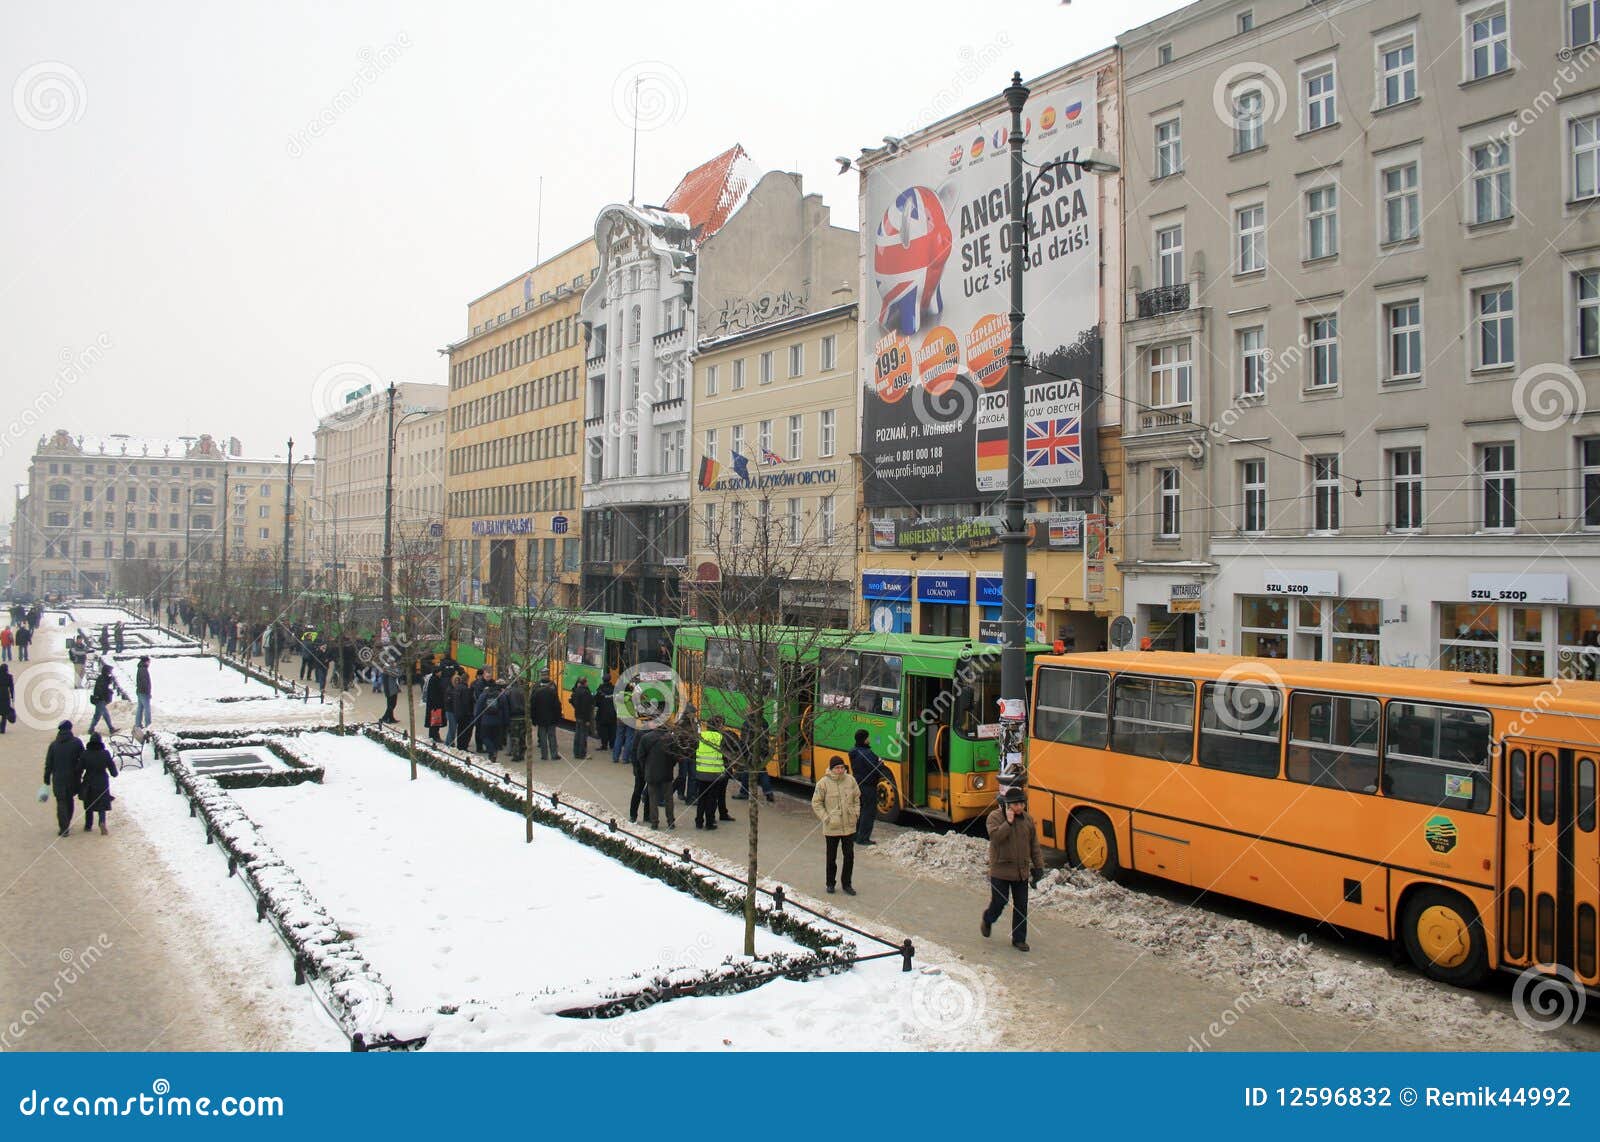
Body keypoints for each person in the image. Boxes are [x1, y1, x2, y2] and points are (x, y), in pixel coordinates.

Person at [981, 787, 1044, 952]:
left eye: (1022, 804)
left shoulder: (1028, 820)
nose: (1020, 807)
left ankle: (1019, 939)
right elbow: (996, 838)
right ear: (1007, 804)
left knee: (1021, 905)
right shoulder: (994, 817)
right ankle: (988, 919)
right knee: (1000, 902)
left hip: (1021, 871)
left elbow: (1034, 846)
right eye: (1016, 804)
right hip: (1001, 870)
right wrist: (1008, 823)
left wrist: (1038, 867)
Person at [811, 757, 859, 895]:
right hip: (832, 827)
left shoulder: (851, 780)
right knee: (831, 857)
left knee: (849, 856)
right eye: (837, 768)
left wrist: (856, 814)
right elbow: (816, 803)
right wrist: (826, 818)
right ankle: (830, 883)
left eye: (842, 767)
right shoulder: (823, 783)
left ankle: (847, 884)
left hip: (849, 826)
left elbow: (857, 799)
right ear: (831, 769)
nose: (840, 770)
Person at [43, 721, 85, 838]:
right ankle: (67, 822)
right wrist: (79, 771)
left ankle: (63, 827)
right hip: (73, 778)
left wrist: (46, 778)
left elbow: (49, 763)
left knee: (61, 802)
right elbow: (83, 759)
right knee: (69, 800)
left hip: (58, 779)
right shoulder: (77, 743)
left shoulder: (53, 745)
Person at [639, 720, 678, 830]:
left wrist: (646, 768)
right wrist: (670, 765)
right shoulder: (671, 739)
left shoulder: (646, 738)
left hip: (651, 772)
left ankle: (654, 822)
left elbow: (640, 756)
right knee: (668, 798)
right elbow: (675, 756)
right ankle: (670, 821)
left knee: (653, 798)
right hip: (667, 772)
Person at [693, 715, 730, 830]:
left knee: (701, 798)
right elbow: (726, 754)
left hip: (701, 772)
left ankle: (699, 821)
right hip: (715, 773)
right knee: (712, 799)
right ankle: (709, 822)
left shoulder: (701, 736)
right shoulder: (721, 737)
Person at [849, 728, 885, 845]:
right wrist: (880, 763)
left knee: (859, 810)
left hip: (857, 784)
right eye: (868, 737)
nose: (869, 739)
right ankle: (863, 838)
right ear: (865, 739)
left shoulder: (853, 751)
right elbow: (875, 768)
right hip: (868, 786)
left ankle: (854, 835)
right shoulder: (868, 753)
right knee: (868, 812)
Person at [78, 732, 118, 835]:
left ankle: (88, 825)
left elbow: (79, 768)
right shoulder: (105, 753)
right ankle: (102, 822)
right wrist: (114, 773)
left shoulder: (85, 753)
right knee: (102, 805)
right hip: (102, 781)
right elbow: (113, 771)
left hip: (88, 781)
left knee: (89, 804)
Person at [732, 711, 774, 803]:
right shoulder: (764, 722)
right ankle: (768, 792)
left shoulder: (747, 723)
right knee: (762, 771)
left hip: (750, 751)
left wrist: (742, 751)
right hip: (762, 751)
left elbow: (744, 740)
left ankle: (744, 792)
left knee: (746, 770)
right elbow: (766, 738)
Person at [474, 677, 506, 763]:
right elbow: (504, 708)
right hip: (497, 720)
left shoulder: (484, 695)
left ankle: (491, 751)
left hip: (486, 720)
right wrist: (505, 720)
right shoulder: (500, 695)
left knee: (484, 737)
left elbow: (478, 708)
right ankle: (493, 753)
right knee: (495, 738)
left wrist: (477, 720)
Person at [531, 677, 561, 761]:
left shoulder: (537, 692)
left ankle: (544, 755)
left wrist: (533, 719)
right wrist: (557, 717)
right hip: (551, 719)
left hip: (540, 719)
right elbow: (557, 706)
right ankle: (554, 755)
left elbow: (533, 706)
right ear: (548, 683)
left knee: (542, 738)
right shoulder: (553, 692)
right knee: (552, 737)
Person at [569, 677, 595, 760]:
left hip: (577, 716)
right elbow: (586, 707)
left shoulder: (576, 691)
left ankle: (576, 753)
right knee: (583, 736)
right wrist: (587, 720)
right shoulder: (586, 692)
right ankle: (582, 754)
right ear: (585, 683)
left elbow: (571, 700)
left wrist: (576, 708)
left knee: (577, 735)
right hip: (584, 717)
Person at [611, 682, 636, 765]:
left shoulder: (617, 696)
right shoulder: (632, 696)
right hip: (630, 719)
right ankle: (625, 759)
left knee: (619, 737)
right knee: (629, 738)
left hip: (620, 718)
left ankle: (615, 757)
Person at [505, 677, 528, 762]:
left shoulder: (509, 692)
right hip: (523, 717)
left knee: (515, 737)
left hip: (513, 718)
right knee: (522, 737)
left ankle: (516, 755)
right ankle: (522, 754)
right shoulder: (524, 691)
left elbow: (506, 705)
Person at [425, 664, 450, 743]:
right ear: (437, 672)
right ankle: (435, 736)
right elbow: (434, 694)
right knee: (435, 722)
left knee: (434, 722)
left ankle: (433, 735)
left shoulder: (434, 679)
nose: (441, 673)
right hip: (436, 706)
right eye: (440, 672)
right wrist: (437, 705)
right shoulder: (435, 680)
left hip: (434, 705)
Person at [89, 665, 117, 735]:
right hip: (100, 700)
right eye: (110, 671)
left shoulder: (102, 678)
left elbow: (106, 684)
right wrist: (108, 693)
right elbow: (103, 689)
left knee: (99, 715)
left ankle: (91, 729)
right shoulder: (103, 679)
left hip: (100, 700)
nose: (110, 672)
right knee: (103, 715)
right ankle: (110, 728)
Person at [452, 671, 476, 751]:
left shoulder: (457, 688)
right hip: (465, 714)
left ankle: (460, 746)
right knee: (466, 732)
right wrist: (469, 713)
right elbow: (466, 703)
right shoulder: (465, 689)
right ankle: (464, 747)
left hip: (458, 713)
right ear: (467, 679)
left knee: (460, 730)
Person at [594, 679, 617, 752]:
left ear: (603, 680)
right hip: (613, 713)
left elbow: (596, 702)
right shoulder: (614, 689)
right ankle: (612, 745)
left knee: (603, 730)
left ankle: (604, 745)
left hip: (602, 713)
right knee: (612, 729)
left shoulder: (600, 690)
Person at [134, 656, 152, 731]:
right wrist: (148, 692)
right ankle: (148, 724)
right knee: (147, 709)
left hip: (139, 691)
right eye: (149, 662)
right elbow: (145, 682)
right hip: (144, 692)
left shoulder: (140, 668)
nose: (149, 663)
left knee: (140, 708)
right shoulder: (144, 670)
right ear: (146, 662)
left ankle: (138, 724)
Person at [0, 662, 14, 734]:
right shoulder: (9, 676)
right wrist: (12, 696)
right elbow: (11, 687)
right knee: (4, 713)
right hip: (5, 695)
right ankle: (2, 729)